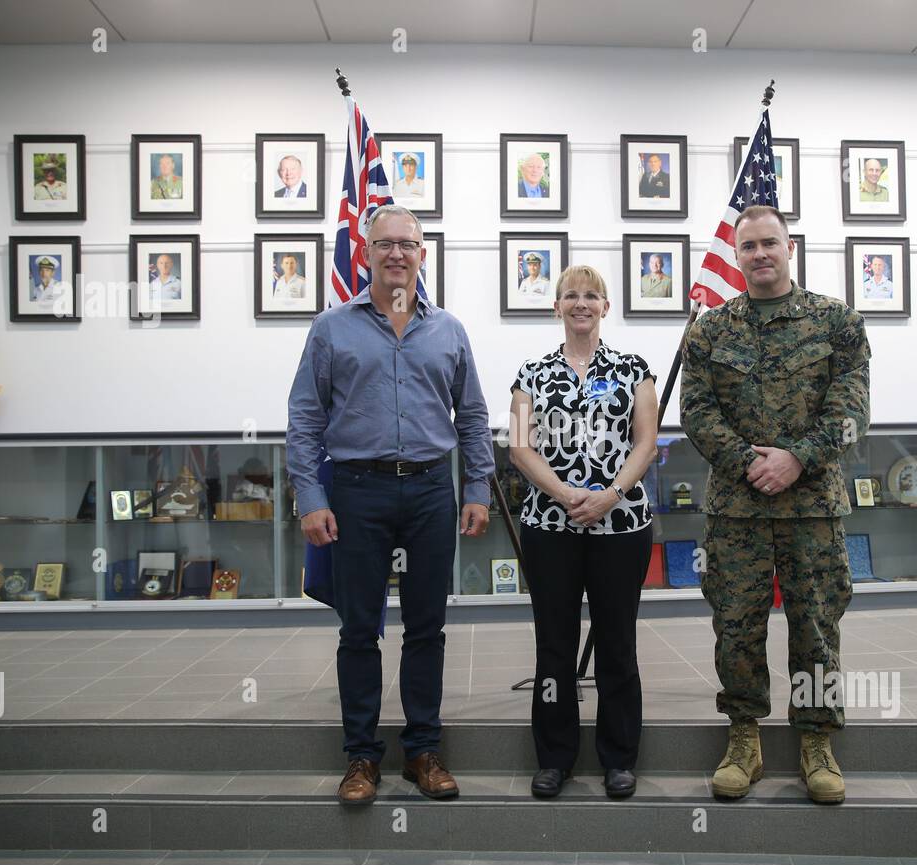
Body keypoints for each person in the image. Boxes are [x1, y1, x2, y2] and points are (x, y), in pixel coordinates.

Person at [287, 204, 494, 806]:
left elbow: (474, 415)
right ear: (367, 252)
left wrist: (477, 487)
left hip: (432, 488)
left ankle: (423, 751)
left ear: (422, 254)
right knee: (358, 630)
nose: (397, 254)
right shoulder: (332, 328)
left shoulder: (449, 330)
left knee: (427, 627)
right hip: (357, 491)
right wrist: (310, 496)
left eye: (408, 244)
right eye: (385, 245)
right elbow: (304, 417)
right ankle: (360, 757)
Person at [680, 204, 871, 805]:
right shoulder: (710, 330)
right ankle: (744, 738)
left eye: (770, 243)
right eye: (749, 246)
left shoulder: (837, 323)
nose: (760, 254)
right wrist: (748, 462)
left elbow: (852, 412)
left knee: (816, 626)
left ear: (790, 247)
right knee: (735, 628)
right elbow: (696, 413)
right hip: (737, 511)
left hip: (813, 507)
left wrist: (796, 458)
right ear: (736, 256)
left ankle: (816, 741)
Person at [509, 264, 658, 799]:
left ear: (605, 306)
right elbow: (520, 447)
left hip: (621, 523)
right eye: (570, 294)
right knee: (554, 645)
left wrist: (611, 494)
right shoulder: (532, 372)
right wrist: (565, 494)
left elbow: (645, 442)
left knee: (618, 642)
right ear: (556, 306)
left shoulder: (633, 368)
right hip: (551, 524)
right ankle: (555, 757)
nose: (581, 303)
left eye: (591, 295)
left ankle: (619, 758)